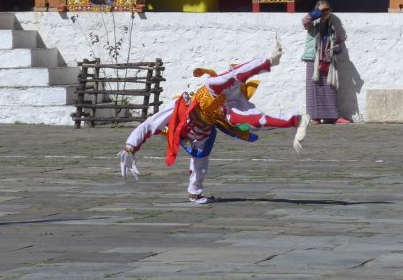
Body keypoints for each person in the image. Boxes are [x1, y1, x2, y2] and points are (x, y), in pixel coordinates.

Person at [118, 42, 311, 204]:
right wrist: (195, 192)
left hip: (209, 94)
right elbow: (199, 161)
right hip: (225, 109)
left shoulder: (176, 110)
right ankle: (296, 120)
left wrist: (129, 147)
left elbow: (149, 125)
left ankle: (268, 60)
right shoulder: (199, 137)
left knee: (229, 78)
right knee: (253, 123)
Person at [301, 0, 348, 125]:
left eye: (327, 9)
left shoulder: (333, 26)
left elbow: (339, 43)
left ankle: (334, 117)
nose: (325, 12)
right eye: (322, 10)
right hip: (313, 59)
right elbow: (305, 20)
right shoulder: (312, 24)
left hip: (329, 60)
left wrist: (336, 48)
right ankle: (314, 117)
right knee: (314, 88)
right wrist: (318, 13)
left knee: (330, 88)